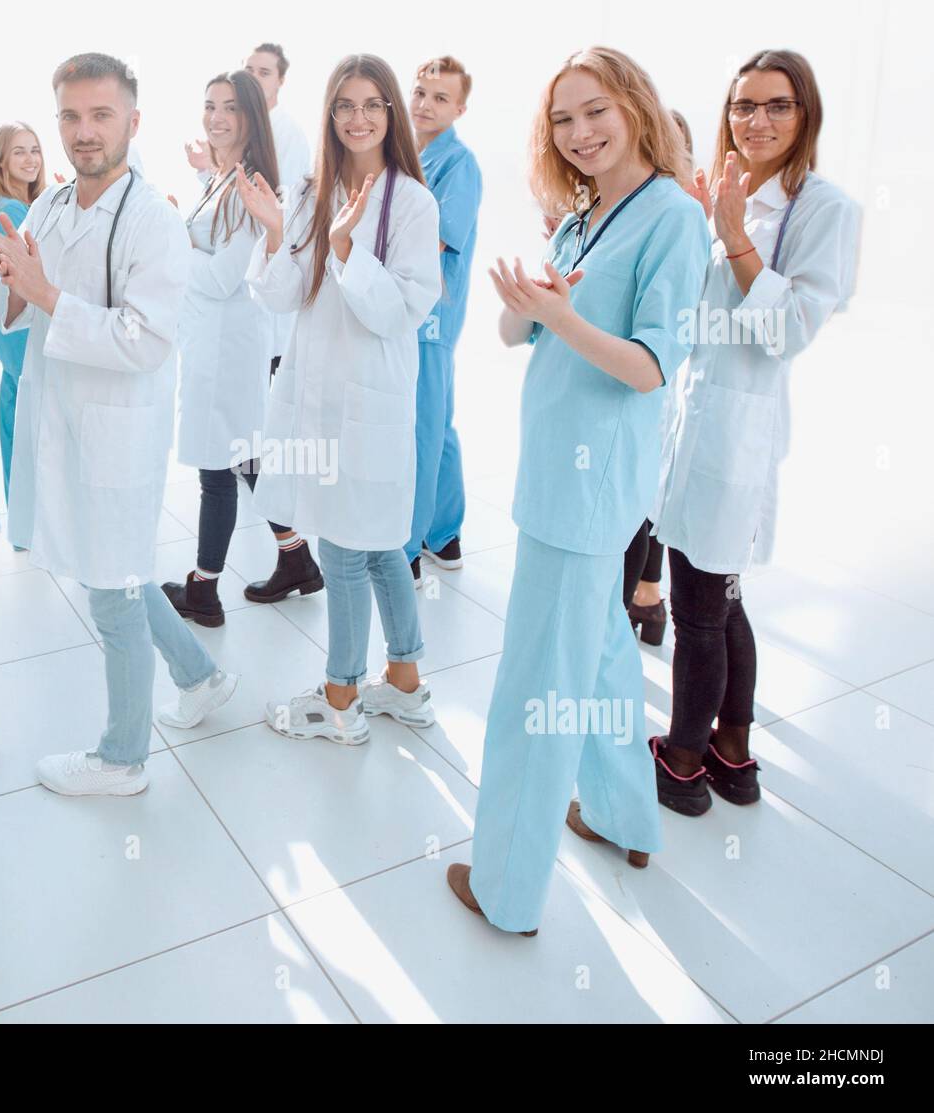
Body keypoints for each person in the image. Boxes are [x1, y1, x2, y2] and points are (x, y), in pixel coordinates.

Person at [446, 47, 708, 934]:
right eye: (563, 119)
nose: (580, 132)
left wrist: (559, 315)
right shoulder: (586, 212)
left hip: (587, 493)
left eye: (594, 111)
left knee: (535, 687)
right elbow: (520, 332)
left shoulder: (670, 217)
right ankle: (625, 815)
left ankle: (506, 889)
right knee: (595, 657)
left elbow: (650, 365)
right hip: (561, 477)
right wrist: (530, 305)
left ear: (635, 104)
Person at [0, 53, 239, 789]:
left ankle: (123, 759)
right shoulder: (52, 205)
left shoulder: (154, 222)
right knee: (118, 573)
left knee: (113, 590)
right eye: (70, 115)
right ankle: (199, 677)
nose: (83, 131)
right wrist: (13, 285)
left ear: (133, 120)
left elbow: (146, 338)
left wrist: (48, 295)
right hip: (62, 419)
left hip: (119, 428)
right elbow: (18, 304)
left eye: (101, 115)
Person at [649, 50, 861, 815]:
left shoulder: (825, 208)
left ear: (806, 115)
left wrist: (734, 237)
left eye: (777, 106)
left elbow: (791, 328)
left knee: (698, 607)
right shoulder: (726, 192)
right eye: (743, 106)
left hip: (736, 435)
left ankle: (680, 765)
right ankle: (732, 754)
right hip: (694, 419)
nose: (757, 121)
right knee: (723, 596)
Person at [236, 53, 441, 744]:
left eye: (372, 105)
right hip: (312, 394)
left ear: (391, 115)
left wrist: (349, 249)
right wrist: (272, 231)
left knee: (350, 548)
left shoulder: (412, 201)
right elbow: (283, 293)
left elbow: (402, 308)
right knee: (377, 542)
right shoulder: (307, 190)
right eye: (345, 106)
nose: (358, 118)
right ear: (330, 116)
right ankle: (406, 682)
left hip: (370, 394)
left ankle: (342, 696)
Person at [162, 71, 282, 628]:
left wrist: (173, 238)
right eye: (209, 105)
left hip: (226, 345)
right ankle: (299, 555)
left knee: (218, 466)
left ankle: (204, 592)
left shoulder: (249, 187)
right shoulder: (221, 178)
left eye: (229, 107)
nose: (215, 117)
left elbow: (220, 278)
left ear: (251, 116)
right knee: (243, 454)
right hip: (213, 340)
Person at [405, 56, 483, 586]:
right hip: (414, 310)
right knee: (439, 420)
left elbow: (432, 242)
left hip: (430, 313)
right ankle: (444, 534)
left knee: (422, 428)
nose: (427, 105)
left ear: (460, 107)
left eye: (440, 98)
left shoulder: (459, 163)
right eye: (421, 92)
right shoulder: (411, 156)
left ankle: (406, 549)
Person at [622, 108, 697, 643]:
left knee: (641, 498)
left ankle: (638, 602)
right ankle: (649, 597)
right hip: (663, 374)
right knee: (651, 493)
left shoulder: (676, 211)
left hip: (657, 373)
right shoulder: (675, 205)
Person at [0, 122, 47, 505]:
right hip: (20, 331)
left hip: (14, 332)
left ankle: (25, 518)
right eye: (19, 151)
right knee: (26, 423)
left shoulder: (25, 205)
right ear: (2, 161)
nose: (29, 159)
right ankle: (32, 520)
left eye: (35, 149)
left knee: (15, 417)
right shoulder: (11, 209)